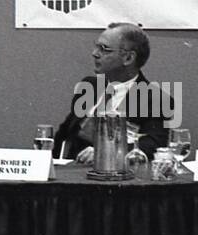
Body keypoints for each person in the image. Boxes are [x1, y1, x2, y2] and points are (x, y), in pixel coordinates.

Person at [53, 22, 169, 162]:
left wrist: (106, 153)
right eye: (96, 46)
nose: (95, 54)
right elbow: (64, 135)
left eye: (104, 49)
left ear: (128, 58)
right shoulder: (89, 86)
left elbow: (152, 146)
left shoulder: (156, 100)